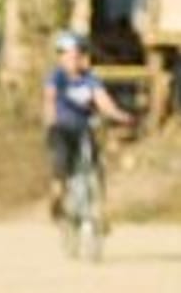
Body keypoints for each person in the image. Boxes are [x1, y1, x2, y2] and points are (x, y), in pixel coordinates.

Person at [44, 29, 135, 218]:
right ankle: (57, 198)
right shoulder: (57, 77)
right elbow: (50, 99)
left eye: (78, 55)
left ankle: (99, 207)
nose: (74, 60)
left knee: (95, 164)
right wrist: (51, 121)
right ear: (61, 58)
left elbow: (103, 101)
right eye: (69, 56)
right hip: (62, 128)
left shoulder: (89, 78)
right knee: (61, 168)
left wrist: (119, 115)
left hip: (84, 128)